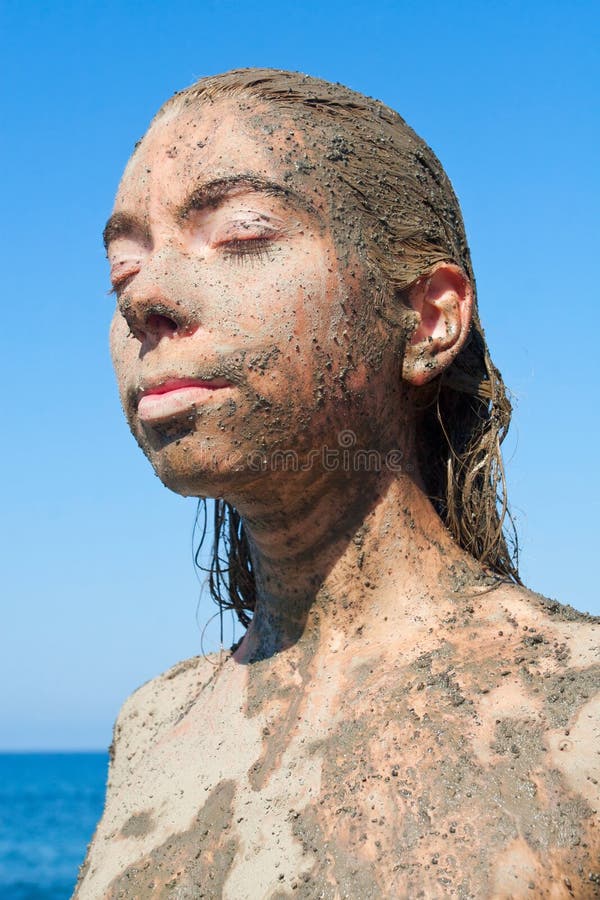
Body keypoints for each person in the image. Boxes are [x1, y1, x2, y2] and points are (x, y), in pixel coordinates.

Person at [76, 69, 599, 898]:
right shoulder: (152, 731)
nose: (146, 298)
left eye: (240, 235)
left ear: (430, 320)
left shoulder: (577, 719)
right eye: (120, 268)